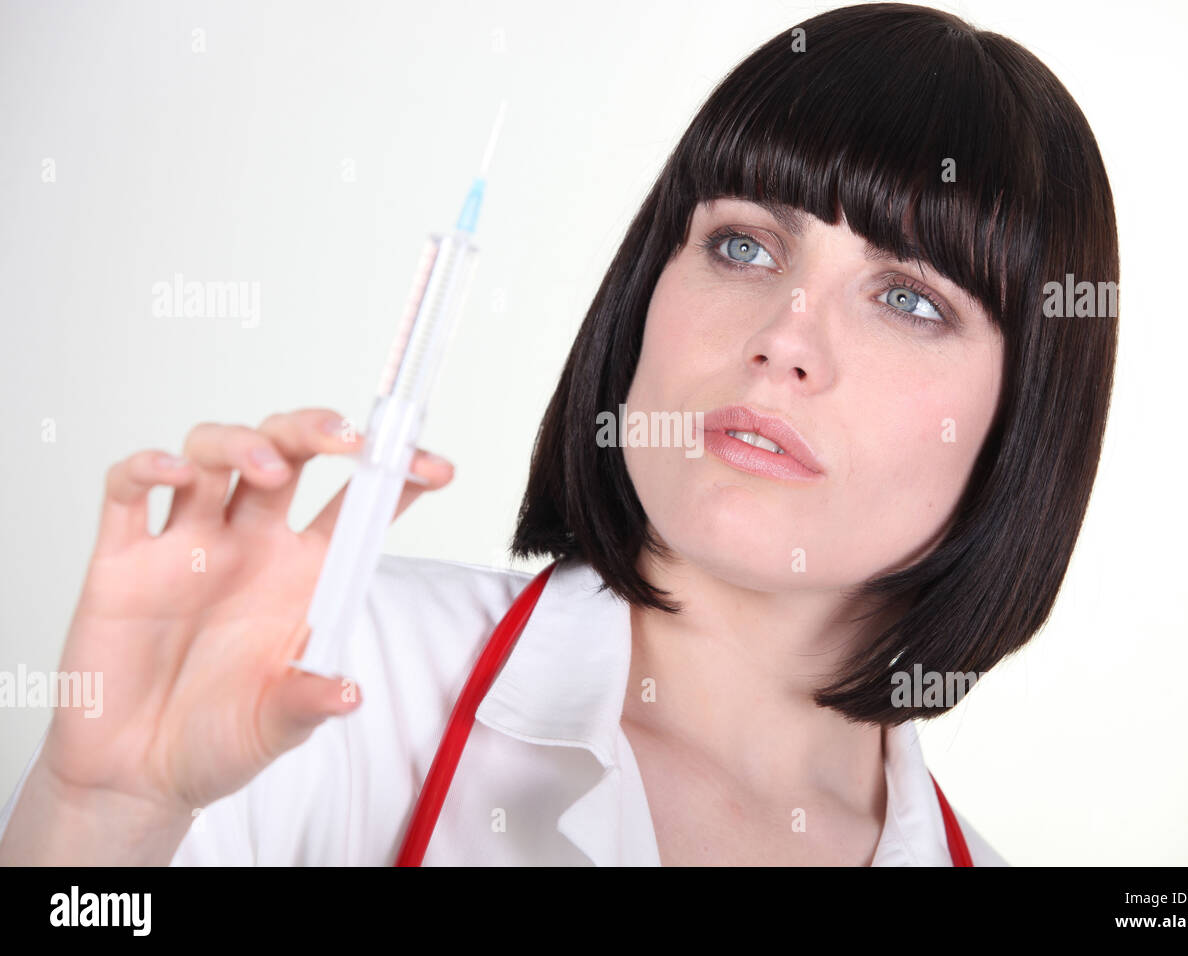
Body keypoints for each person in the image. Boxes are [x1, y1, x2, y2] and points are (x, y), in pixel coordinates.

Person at [0, 2, 1117, 866]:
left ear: (1022, 425)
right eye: (741, 246)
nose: (785, 338)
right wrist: (106, 811)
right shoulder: (327, 678)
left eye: (909, 299)